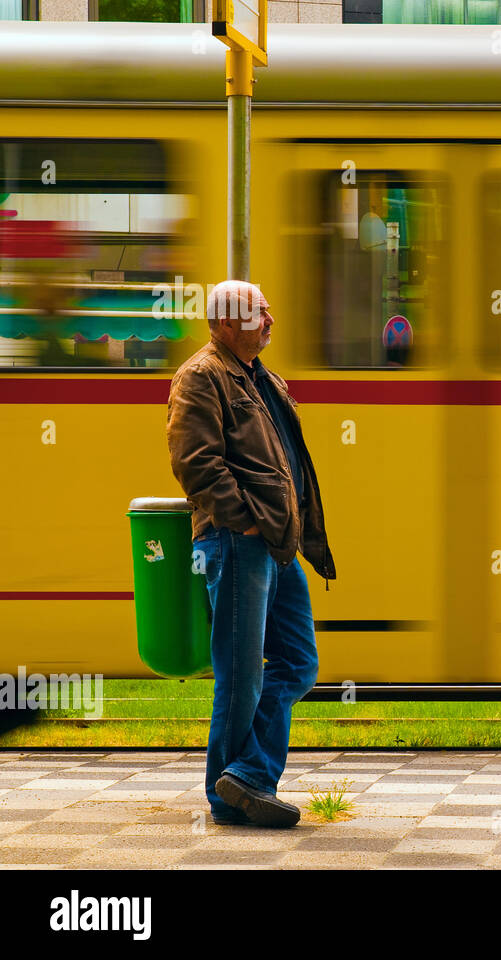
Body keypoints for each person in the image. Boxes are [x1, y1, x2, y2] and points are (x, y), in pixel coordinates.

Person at [165, 279, 336, 828]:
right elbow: (197, 463)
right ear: (226, 322)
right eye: (260, 312)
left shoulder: (263, 380)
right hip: (239, 542)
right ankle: (228, 796)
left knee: (298, 661)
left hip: (275, 543)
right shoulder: (201, 376)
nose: (270, 319)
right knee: (241, 674)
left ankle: (249, 775)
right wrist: (246, 521)